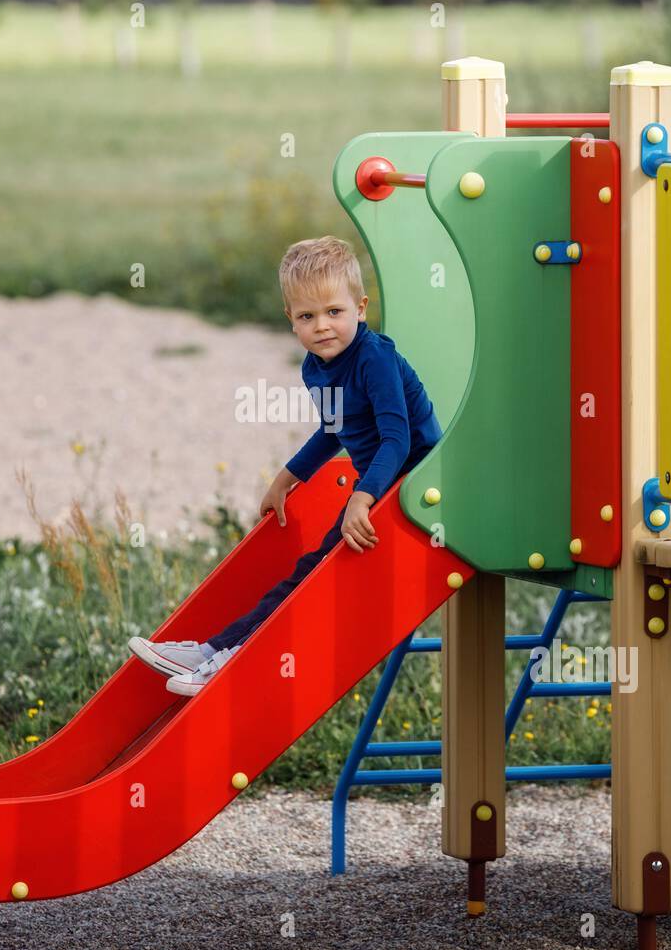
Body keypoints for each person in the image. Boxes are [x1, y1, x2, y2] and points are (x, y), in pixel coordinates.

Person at [129, 235, 442, 696]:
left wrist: (362, 497)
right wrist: (286, 479)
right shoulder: (316, 368)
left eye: (335, 312)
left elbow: (397, 439)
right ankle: (214, 651)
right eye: (307, 316)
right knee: (305, 575)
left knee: (312, 582)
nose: (322, 327)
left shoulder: (374, 359)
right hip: (381, 486)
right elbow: (334, 431)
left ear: (361, 306)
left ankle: (228, 659)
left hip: (415, 486)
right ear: (290, 321)